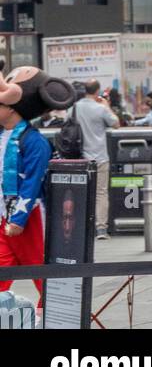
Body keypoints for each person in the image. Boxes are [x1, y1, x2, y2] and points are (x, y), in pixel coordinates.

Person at [0, 64, 75, 307]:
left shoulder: (35, 142)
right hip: (3, 215)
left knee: (41, 268)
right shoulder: (3, 135)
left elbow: (32, 182)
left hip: (29, 217)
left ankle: (55, 313)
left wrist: (19, 219)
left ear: (12, 109)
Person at [75, 80, 119, 241]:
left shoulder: (75, 107)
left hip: (80, 157)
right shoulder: (100, 109)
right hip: (100, 156)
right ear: (97, 91)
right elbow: (116, 124)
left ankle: (83, 227)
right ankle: (101, 229)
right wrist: (106, 105)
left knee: (83, 192)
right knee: (101, 193)